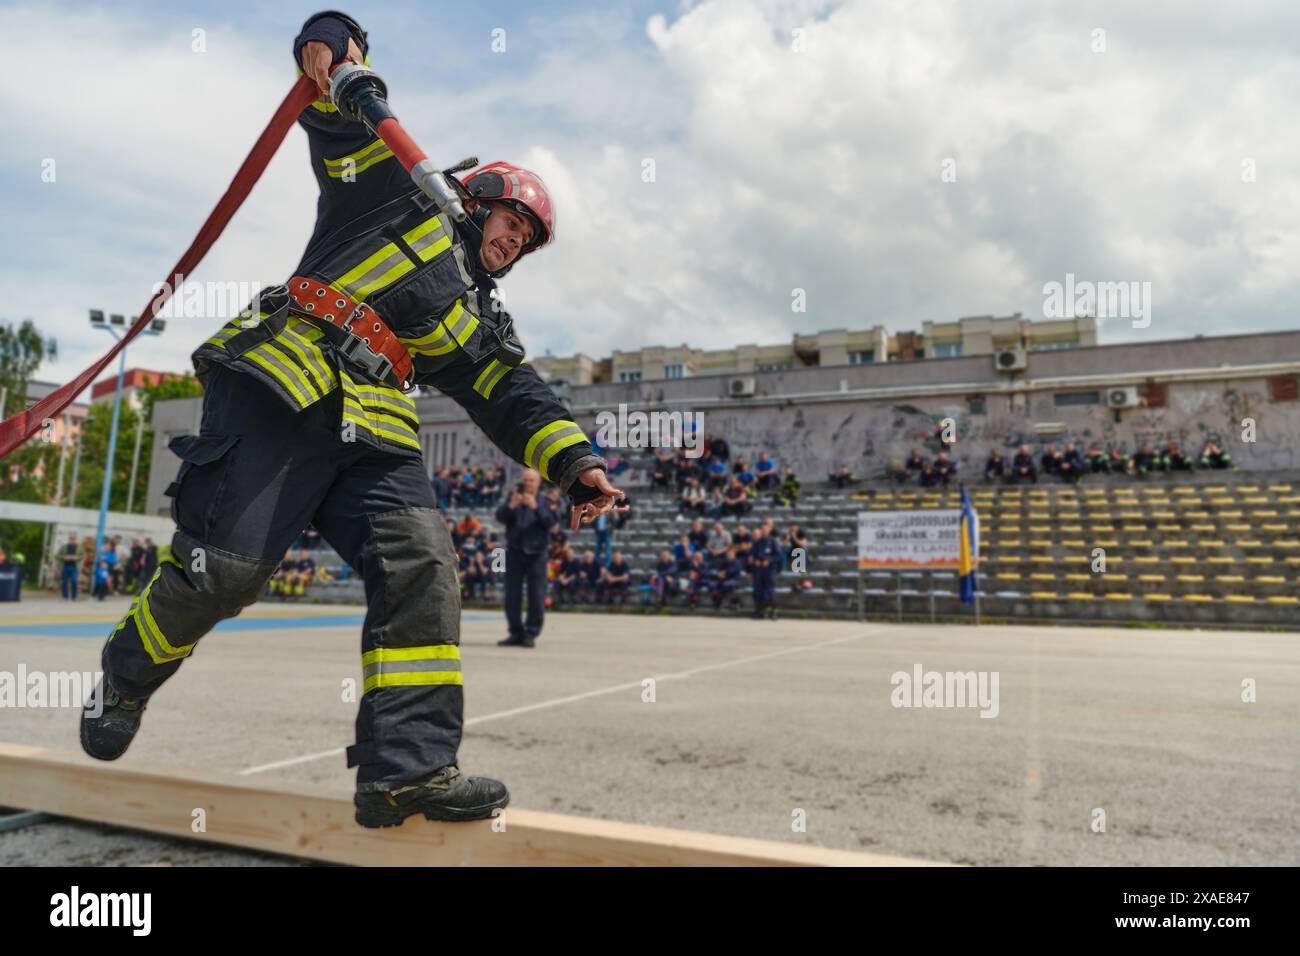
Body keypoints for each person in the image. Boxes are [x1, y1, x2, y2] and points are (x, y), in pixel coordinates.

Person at [82, 10, 624, 830]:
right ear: (477, 199)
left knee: (423, 570)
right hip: (284, 379)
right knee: (223, 575)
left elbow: (515, 397)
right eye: (510, 223)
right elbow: (336, 117)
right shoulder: (388, 192)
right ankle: (125, 677)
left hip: (375, 429)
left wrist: (574, 462)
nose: (512, 244)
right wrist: (335, 41)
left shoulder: (479, 324)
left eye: (526, 242)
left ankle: (407, 772)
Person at [496, 468, 558, 647]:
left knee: (537, 596)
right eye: (526, 480)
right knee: (512, 596)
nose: (528, 484)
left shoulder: (546, 502)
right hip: (515, 552)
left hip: (537, 554)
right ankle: (515, 632)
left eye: (531, 480)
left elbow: (551, 522)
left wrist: (536, 508)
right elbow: (500, 517)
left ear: (538, 483)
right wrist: (511, 506)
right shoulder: (513, 498)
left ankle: (530, 633)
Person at [748, 518, 782, 620]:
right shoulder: (757, 542)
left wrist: (769, 560)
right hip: (758, 570)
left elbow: (778, 556)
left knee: (770, 590)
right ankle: (760, 611)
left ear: (769, 531)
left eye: (765, 530)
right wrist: (755, 560)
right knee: (758, 590)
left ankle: (773, 611)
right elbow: (752, 555)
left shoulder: (773, 541)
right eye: (762, 530)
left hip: (769, 570)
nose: (763, 532)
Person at [60, 533, 80, 601]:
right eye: (70, 538)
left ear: (75, 539)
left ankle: (74, 597)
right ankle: (65, 597)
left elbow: (83, 556)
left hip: (74, 567)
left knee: (74, 581)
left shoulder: (79, 547)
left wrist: (77, 557)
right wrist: (64, 557)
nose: (72, 540)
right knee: (64, 582)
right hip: (65, 566)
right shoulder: (64, 547)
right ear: (69, 539)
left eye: (73, 539)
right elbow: (58, 555)